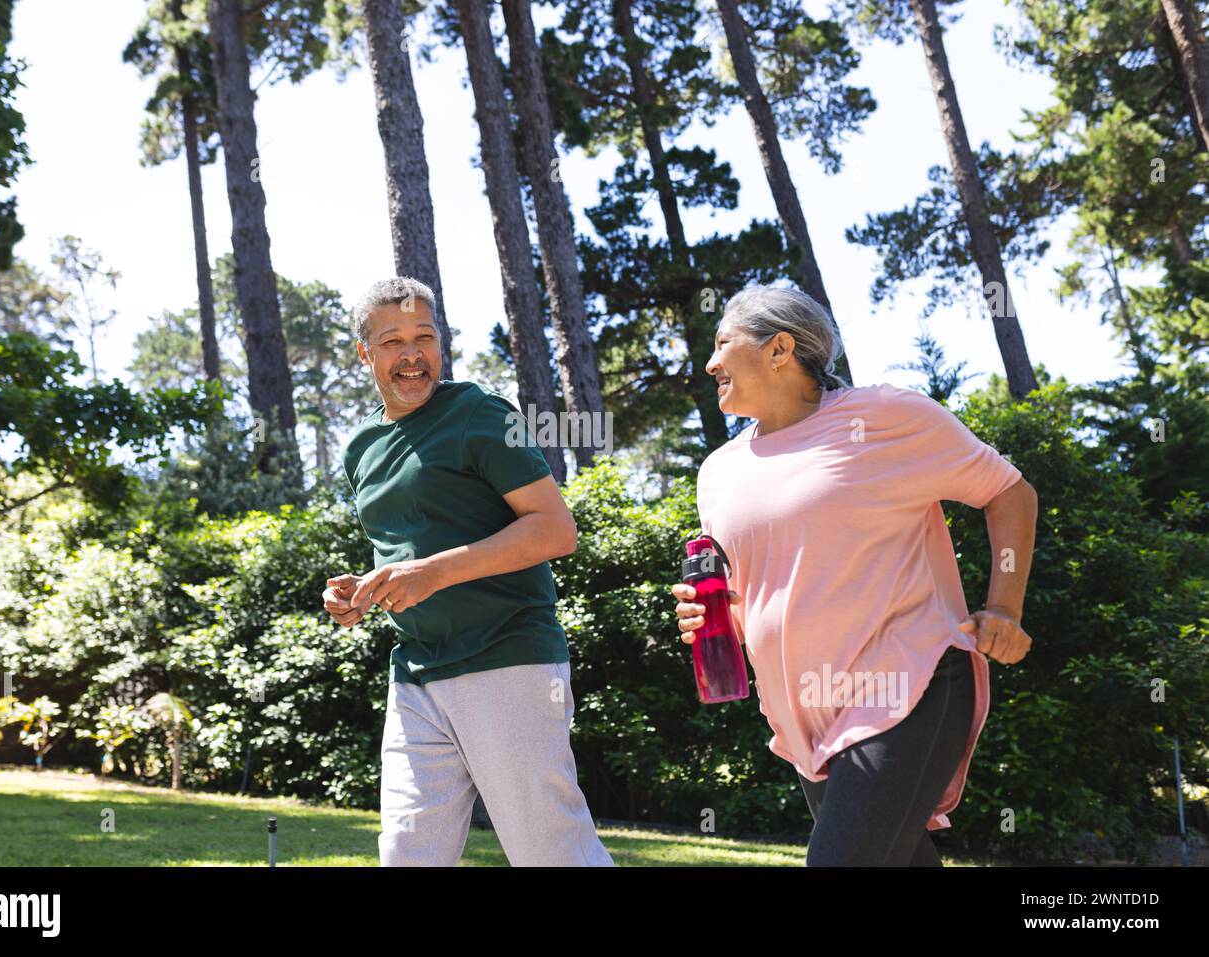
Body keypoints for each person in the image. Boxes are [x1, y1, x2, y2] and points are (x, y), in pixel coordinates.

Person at [672, 284, 1038, 866]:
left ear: (780, 349)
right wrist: (711, 617)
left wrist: (1005, 607)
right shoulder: (719, 471)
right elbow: (755, 596)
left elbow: (1009, 492)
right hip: (803, 711)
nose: (710, 363)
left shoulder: (886, 417)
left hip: (907, 682)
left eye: (722, 344)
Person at [324, 277, 613, 867]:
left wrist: (432, 573)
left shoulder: (480, 413)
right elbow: (408, 549)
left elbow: (555, 529)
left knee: (548, 851)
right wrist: (364, 592)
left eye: (424, 337)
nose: (411, 354)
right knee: (407, 854)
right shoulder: (361, 450)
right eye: (392, 341)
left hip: (507, 657)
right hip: (416, 673)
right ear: (364, 353)